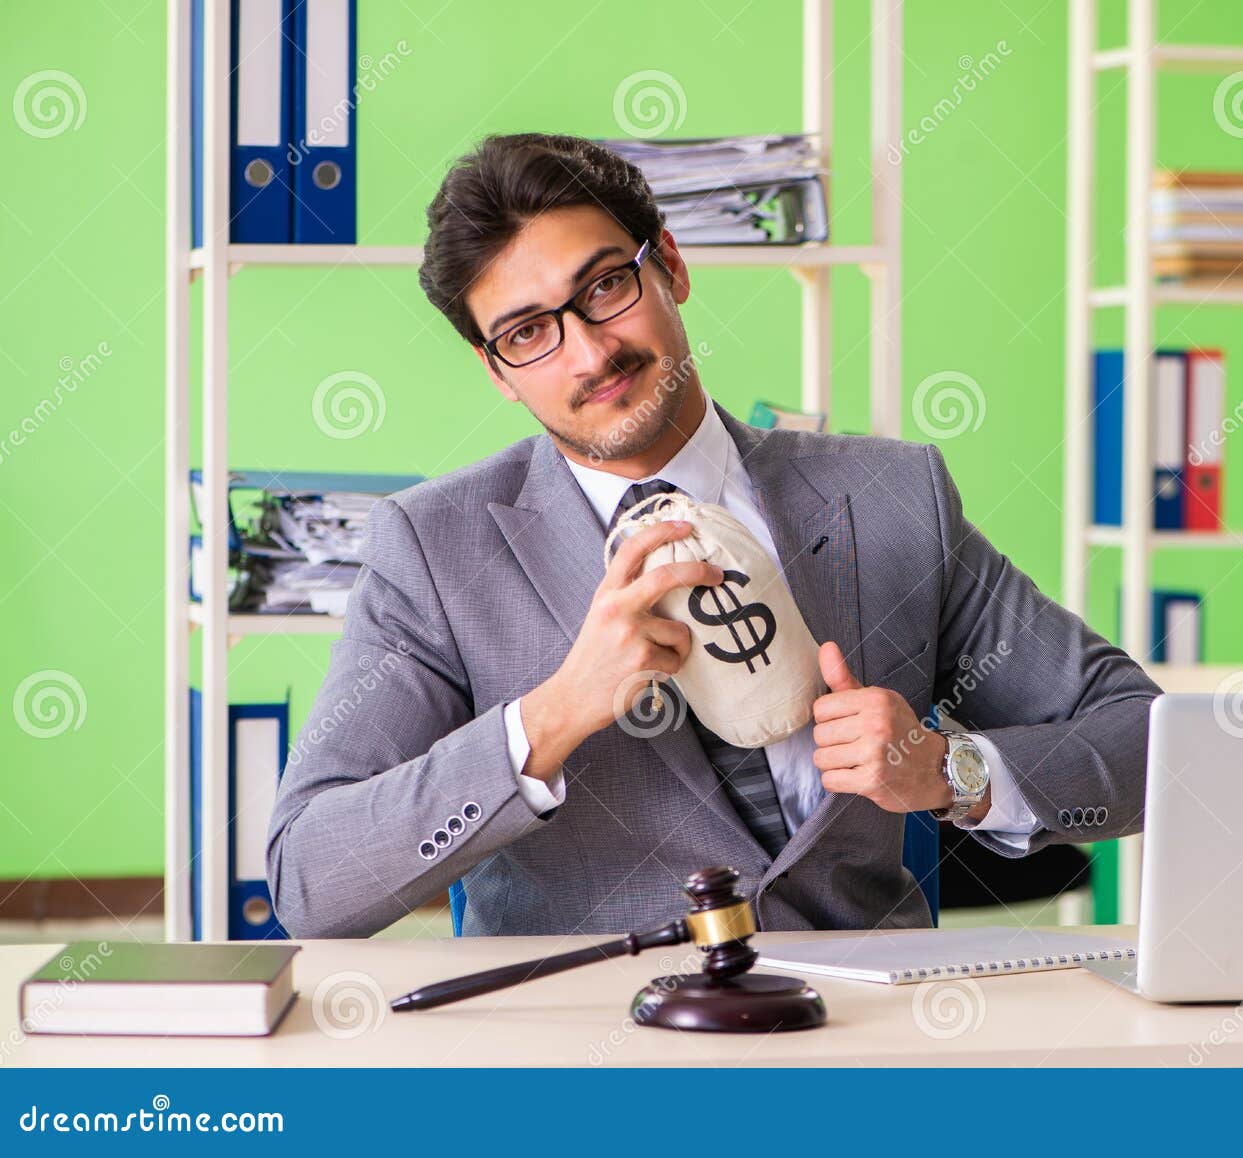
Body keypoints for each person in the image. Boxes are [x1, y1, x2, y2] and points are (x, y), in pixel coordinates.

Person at [266, 133, 1160, 937]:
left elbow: (1149, 741)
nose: (588, 352)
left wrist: (950, 772)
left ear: (673, 269)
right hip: (590, 1051)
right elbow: (310, 877)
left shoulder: (892, 496)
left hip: (865, 1043)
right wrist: (555, 714)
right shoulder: (434, 549)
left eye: (606, 286)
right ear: (496, 371)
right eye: (529, 332)